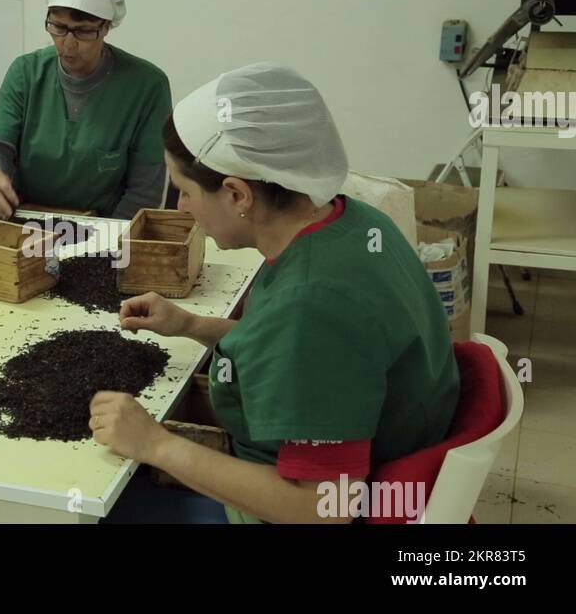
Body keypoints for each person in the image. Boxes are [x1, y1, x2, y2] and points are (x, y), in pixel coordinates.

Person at [91, 63, 461, 524]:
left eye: (184, 191)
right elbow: (311, 351)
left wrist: (156, 444)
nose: (181, 207)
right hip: (380, 450)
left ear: (238, 194)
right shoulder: (356, 221)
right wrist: (191, 325)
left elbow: (323, 508)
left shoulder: (311, 301)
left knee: (96, 501)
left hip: (307, 503)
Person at [0, 0, 172, 219]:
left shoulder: (147, 86)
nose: (68, 43)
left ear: (107, 26)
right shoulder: (26, 73)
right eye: (58, 27)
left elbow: (145, 192)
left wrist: (102, 247)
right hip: (26, 226)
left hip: (104, 230)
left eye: (84, 31)